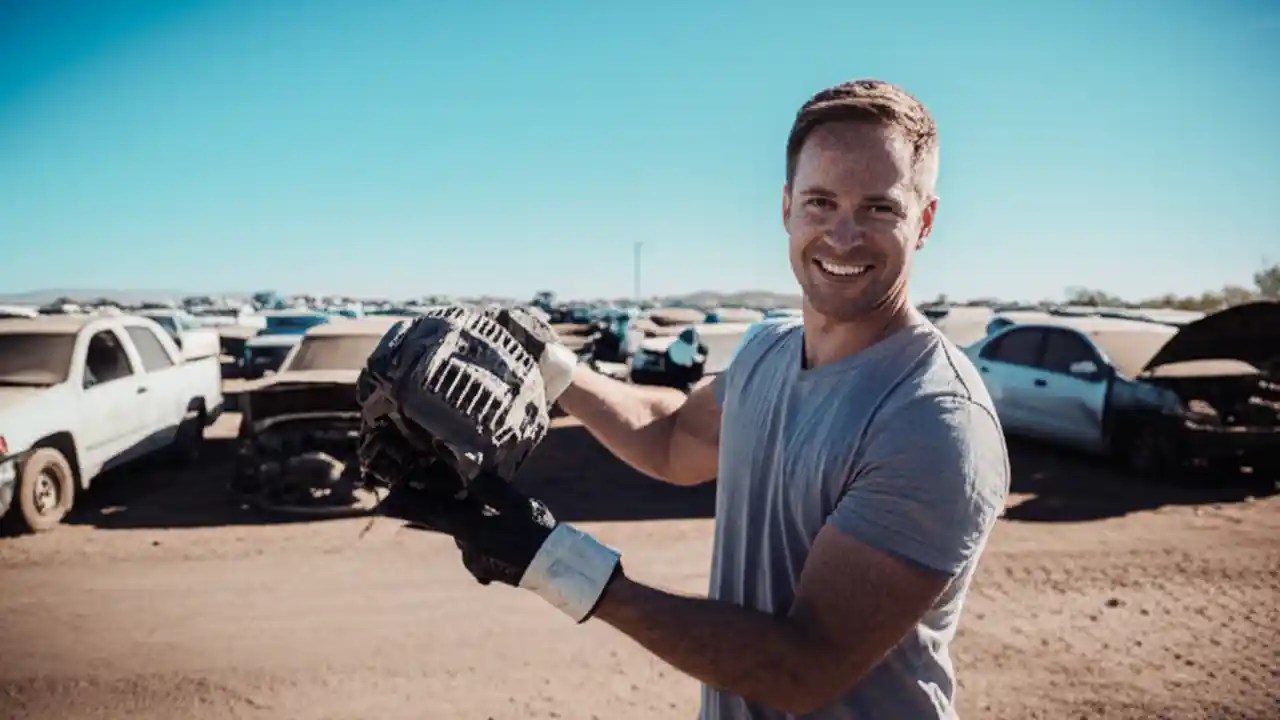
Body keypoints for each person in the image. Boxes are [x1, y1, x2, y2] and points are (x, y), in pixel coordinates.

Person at [436, 79, 1011, 719]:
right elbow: (676, 438)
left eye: (879, 208)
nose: (844, 237)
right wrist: (554, 370)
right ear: (787, 207)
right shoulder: (766, 349)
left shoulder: (934, 421)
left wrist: (557, 564)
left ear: (925, 220)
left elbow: (803, 668)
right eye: (821, 202)